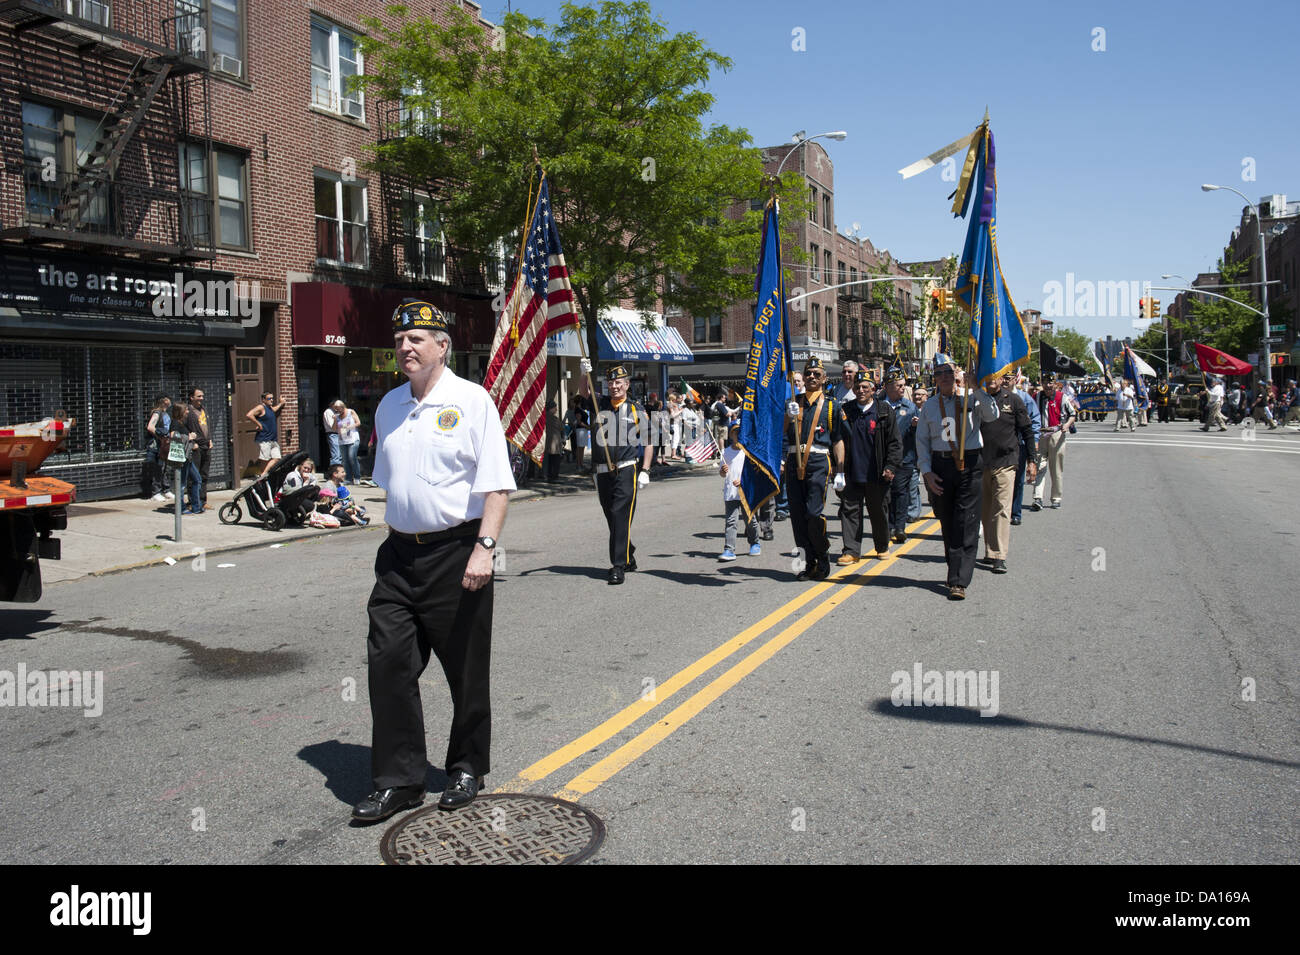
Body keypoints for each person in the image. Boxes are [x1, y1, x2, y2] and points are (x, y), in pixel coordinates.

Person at [353, 300, 514, 824]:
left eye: (417, 338)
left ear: (442, 346)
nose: (405, 347)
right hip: (399, 557)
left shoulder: (473, 401)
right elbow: (389, 482)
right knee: (389, 665)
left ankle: (467, 766)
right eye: (400, 339)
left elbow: (495, 486)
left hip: (457, 554)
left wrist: (484, 550)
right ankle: (400, 780)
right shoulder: (389, 406)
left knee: (466, 670)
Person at [915, 360, 999, 599]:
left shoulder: (971, 399)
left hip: (970, 464)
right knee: (948, 520)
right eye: (939, 373)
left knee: (966, 521)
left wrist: (977, 388)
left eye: (948, 373)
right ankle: (955, 563)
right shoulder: (930, 406)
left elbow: (992, 415)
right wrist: (927, 472)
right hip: (941, 466)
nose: (944, 377)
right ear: (935, 379)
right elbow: (922, 441)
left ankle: (958, 580)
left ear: (957, 375)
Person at [579, 361, 654, 585]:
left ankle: (617, 566)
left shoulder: (636, 408)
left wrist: (646, 470)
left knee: (621, 514)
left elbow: (650, 440)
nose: (614, 386)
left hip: (626, 469)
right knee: (612, 517)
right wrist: (584, 374)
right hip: (602, 471)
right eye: (610, 382)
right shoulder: (599, 403)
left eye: (618, 382)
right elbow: (584, 392)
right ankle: (628, 552)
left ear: (627, 384)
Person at [784, 357, 845, 580]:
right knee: (798, 518)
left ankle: (822, 553)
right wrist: (788, 416)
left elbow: (838, 439)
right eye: (808, 373)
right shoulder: (793, 401)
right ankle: (805, 564)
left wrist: (840, 470)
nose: (811, 377)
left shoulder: (831, 405)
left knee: (813, 513)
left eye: (816, 374)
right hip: (794, 460)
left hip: (818, 461)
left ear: (824, 379)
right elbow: (782, 432)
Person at [837, 371, 901, 564]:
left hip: (877, 473)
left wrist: (891, 466)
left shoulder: (884, 410)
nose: (861, 390)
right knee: (850, 512)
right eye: (857, 387)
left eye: (865, 387)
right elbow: (837, 439)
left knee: (879, 511)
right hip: (851, 471)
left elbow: (895, 442)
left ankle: (882, 545)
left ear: (873, 389)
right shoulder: (846, 411)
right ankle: (851, 550)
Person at [980, 373, 1036, 574]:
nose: (991, 379)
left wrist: (1032, 460)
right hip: (982, 463)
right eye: (988, 376)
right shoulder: (978, 399)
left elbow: (1027, 430)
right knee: (986, 510)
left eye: (995, 376)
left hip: (1006, 461)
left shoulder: (1013, 400)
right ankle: (989, 549)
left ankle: (999, 555)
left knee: (1002, 508)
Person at [879, 369, 917, 543]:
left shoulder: (910, 408)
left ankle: (899, 527)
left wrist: (916, 426)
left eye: (904, 385)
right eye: (899, 385)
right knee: (885, 494)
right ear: (888, 387)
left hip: (904, 458)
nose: (903, 388)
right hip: (883, 458)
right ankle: (887, 526)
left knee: (901, 493)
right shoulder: (878, 405)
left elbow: (920, 435)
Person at [1032, 376, 1076, 510]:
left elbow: (1072, 414)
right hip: (1040, 433)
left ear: (1055, 384)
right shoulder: (1036, 397)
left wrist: (1067, 424)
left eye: (1050, 382)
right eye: (1044, 382)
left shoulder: (1062, 397)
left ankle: (1056, 497)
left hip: (1056, 433)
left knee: (1056, 468)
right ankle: (1037, 498)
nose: (1047, 385)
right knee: (1039, 466)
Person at [718, 422, 760, 560]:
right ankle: (729, 549)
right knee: (731, 521)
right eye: (735, 433)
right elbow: (722, 473)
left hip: (745, 491)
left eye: (740, 432)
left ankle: (755, 543)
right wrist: (723, 471)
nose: (738, 435)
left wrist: (743, 481)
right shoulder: (725, 452)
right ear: (731, 435)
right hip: (730, 492)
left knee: (750, 519)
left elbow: (754, 473)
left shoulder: (748, 451)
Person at [1011, 374, 1040, 525]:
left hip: (1020, 444)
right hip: (1002, 445)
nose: (1006, 380)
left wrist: (1034, 442)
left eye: (1010, 377)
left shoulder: (1025, 398)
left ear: (1016, 379)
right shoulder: (994, 397)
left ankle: (1015, 512)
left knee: (1018, 480)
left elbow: (1034, 422)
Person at [184, 387, 213, 510]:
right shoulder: (188, 412)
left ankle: (203, 500)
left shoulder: (203, 409)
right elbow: (183, 427)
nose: (202, 398)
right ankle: (193, 502)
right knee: (194, 476)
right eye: (199, 396)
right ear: (192, 397)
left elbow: (206, 425)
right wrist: (192, 442)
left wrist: (210, 439)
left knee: (204, 474)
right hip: (195, 446)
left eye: (202, 396)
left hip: (206, 445)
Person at [246, 391, 285, 476]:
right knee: (265, 458)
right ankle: (262, 474)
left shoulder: (270, 408)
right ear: (263, 400)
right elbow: (249, 415)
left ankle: (263, 474)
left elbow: (275, 409)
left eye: (272, 398)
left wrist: (281, 403)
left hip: (273, 438)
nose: (271, 400)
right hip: (264, 438)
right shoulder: (261, 407)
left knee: (277, 457)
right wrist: (259, 424)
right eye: (269, 398)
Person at [145, 395, 174, 502]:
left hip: (163, 444)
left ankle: (166, 489)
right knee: (158, 467)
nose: (169, 401)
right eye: (167, 399)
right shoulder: (157, 413)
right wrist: (160, 436)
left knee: (165, 467)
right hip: (157, 445)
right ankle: (156, 492)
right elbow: (150, 427)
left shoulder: (165, 413)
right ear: (163, 401)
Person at [335, 402, 362, 482]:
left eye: (338, 409)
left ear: (342, 407)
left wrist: (350, 427)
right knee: (345, 460)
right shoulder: (338, 416)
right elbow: (334, 428)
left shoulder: (351, 412)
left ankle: (357, 477)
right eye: (336, 409)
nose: (337, 411)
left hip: (353, 438)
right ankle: (348, 478)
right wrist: (334, 420)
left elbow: (358, 423)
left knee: (352, 457)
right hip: (342, 440)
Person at [544, 399, 565, 482]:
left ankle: (549, 476)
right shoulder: (554, 418)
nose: (556, 409)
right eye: (555, 408)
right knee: (555, 461)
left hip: (547, 442)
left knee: (549, 461)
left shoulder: (544, 417)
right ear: (551, 408)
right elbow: (561, 427)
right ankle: (554, 477)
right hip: (555, 443)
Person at [322, 402, 342, 468]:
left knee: (340, 455)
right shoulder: (328, 412)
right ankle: (334, 472)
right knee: (336, 455)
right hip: (333, 434)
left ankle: (340, 472)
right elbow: (332, 426)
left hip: (340, 434)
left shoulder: (338, 412)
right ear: (332, 404)